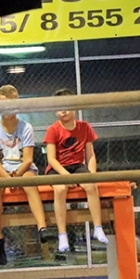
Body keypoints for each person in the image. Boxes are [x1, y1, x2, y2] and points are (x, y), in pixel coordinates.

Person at [0, 84, 50, 265]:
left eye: (10, 105)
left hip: (23, 168)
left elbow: (28, 159)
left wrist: (18, 175)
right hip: (2, 170)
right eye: (3, 106)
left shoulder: (26, 127)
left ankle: (42, 227)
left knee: (30, 183)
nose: (7, 110)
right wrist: (7, 178)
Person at [44, 88, 107, 252]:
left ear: (74, 106)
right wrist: (65, 176)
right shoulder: (53, 130)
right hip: (57, 168)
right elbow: (51, 159)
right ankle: (62, 234)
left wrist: (91, 175)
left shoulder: (84, 127)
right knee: (60, 189)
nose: (63, 110)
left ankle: (98, 227)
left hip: (77, 166)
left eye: (66, 106)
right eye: (59, 107)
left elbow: (90, 155)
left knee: (91, 186)